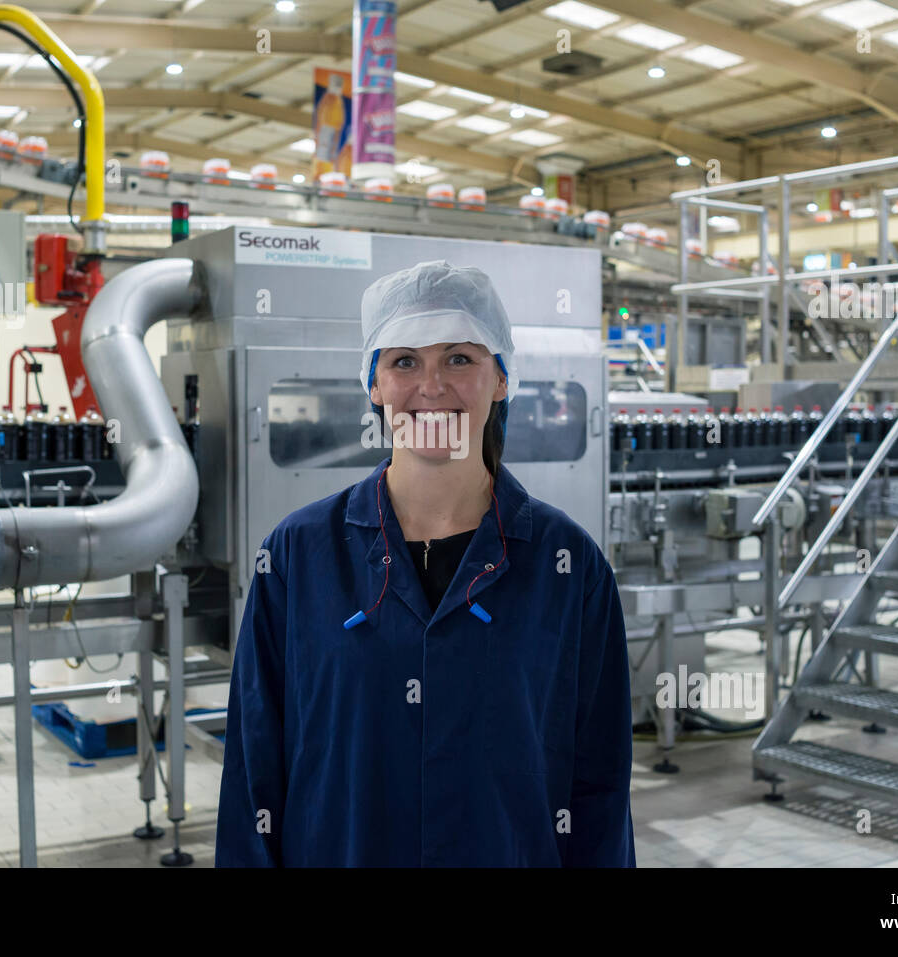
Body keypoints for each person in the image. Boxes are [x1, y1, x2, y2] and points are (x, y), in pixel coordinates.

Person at [216, 260, 634, 866]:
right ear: (374, 384)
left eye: (459, 358)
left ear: (500, 379)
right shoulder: (297, 555)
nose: (432, 387)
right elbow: (253, 769)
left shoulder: (567, 565)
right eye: (405, 361)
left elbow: (599, 784)